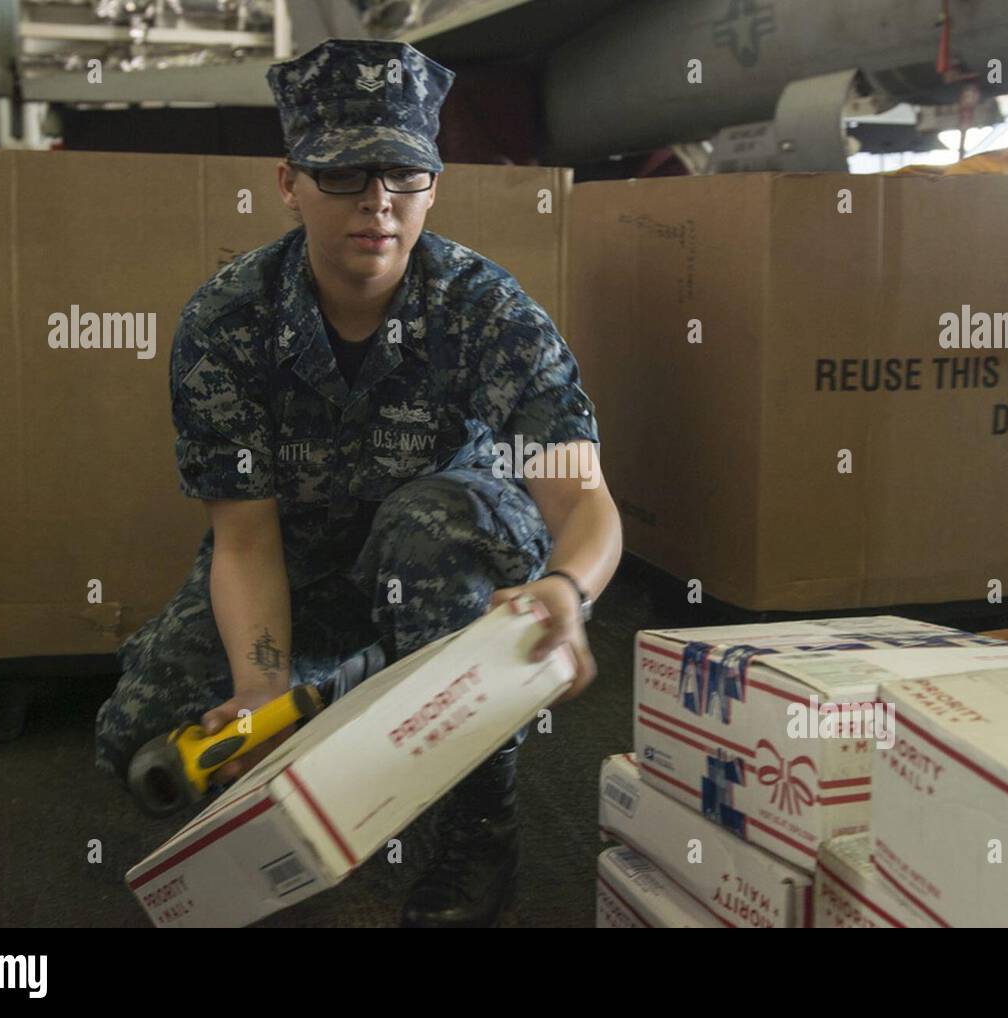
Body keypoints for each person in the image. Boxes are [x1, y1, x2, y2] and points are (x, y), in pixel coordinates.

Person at [94, 37, 622, 928]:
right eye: (343, 176)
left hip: (450, 564)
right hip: (302, 562)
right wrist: (261, 695)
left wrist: (568, 589)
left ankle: (476, 838)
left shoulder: (485, 309)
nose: (377, 203)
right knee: (143, 734)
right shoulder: (227, 322)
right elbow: (246, 540)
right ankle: (351, 679)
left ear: (432, 185)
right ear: (288, 182)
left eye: (403, 175)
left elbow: (584, 499)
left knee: (430, 528)